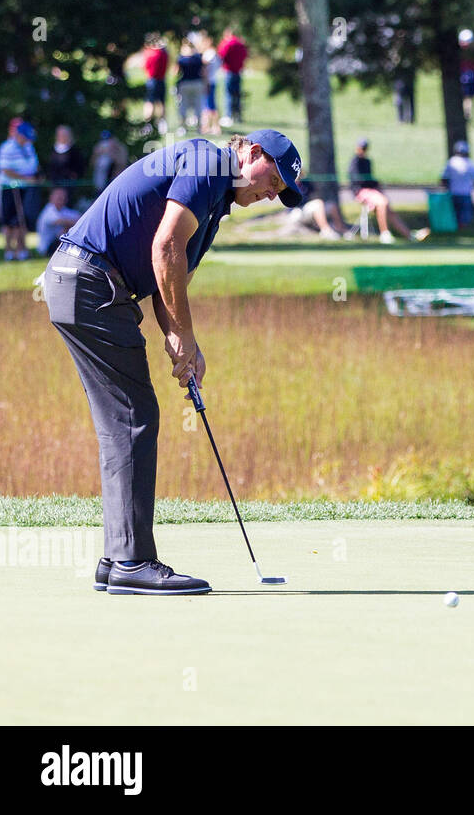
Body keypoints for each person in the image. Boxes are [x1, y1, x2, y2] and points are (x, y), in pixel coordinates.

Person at [44, 130, 305, 594]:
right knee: (133, 418)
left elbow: (169, 278)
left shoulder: (215, 204)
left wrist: (184, 344)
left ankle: (117, 558)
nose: (273, 192)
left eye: (281, 191)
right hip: (90, 281)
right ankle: (131, 562)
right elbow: (165, 248)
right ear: (253, 152)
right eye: (274, 179)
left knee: (123, 419)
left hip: (81, 282)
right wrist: (183, 337)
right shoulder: (209, 163)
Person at [349, 138, 426, 242]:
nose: (363, 150)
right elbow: (358, 181)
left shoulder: (367, 161)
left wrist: (376, 185)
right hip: (362, 192)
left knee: (390, 211)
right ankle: (384, 233)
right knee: (383, 202)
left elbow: (369, 179)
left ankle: (409, 235)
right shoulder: (355, 162)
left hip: (372, 191)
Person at [0, 121, 40, 261]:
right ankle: (9, 251)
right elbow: (5, 169)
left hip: (25, 188)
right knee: (9, 221)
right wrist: (25, 178)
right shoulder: (7, 147)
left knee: (21, 220)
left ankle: (21, 250)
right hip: (9, 188)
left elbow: (33, 165)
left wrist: (33, 177)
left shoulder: (28, 147)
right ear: (18, 134)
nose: (27, 140)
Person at [441, 139, 474, 228]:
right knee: (464, 216)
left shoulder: (451, 162)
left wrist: (446, 189)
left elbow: (443, 178)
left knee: (454, 215)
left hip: (453, 193)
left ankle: (455, 230)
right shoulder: (470, 164)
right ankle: (462, 230)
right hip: (466, 194)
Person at [35, 186, 81, 256]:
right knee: (68, 230)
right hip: (47, 247)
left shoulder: (64, 210)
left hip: (57, 243)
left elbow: (80, 217)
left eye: (63, 197)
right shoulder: (49, 210)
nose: (61, 199)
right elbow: (61, 221)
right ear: (51, 198)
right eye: (59, 197)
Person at [218, 27, 248, 125]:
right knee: (237, 95)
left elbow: (221, 54)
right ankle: (238, 116)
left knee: (228, 95)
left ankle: (228, 115)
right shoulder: (240, 44)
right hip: (238, 71)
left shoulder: (227, 44)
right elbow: (245, 55)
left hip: (229, 71)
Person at [175, 40, 206, 134]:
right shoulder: (198, 57)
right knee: (198, 106)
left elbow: (176, 72)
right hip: (197, 83)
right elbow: (203, 72)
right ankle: (199, 128)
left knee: (183, 106)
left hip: (185, 84)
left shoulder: (181, 58)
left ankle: (183, 127)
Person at [141, 35, 169, 134]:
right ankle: (162, 123)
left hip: (152, 80)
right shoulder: (163, 53)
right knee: (162, 103)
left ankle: (147, 124)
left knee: (149, 103)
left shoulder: (149, 53)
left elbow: (144, 66)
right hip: (162, 79)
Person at [47, 125, 85, 191]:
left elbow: (79, 167)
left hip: (69, 184)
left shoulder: (75, 151)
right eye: (60, 134)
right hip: (55, 183)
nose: (62, 136)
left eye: (64, 135)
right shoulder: (52, 149)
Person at [89, 130, 128, 194]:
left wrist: (112, 153)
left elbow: (122, 164)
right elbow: (92, 164)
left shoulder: (120, 148)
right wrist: (97, 154)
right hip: (102, 182)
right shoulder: (98, 148)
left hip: (115, 181)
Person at [199, 34, 223, 135]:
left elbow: (205, 66)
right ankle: (208, 126)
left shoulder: (210, 53)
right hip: (210, 81)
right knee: (207, 104)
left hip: (208, 82)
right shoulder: (213, 53)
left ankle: (215, 126)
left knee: (210, 105)